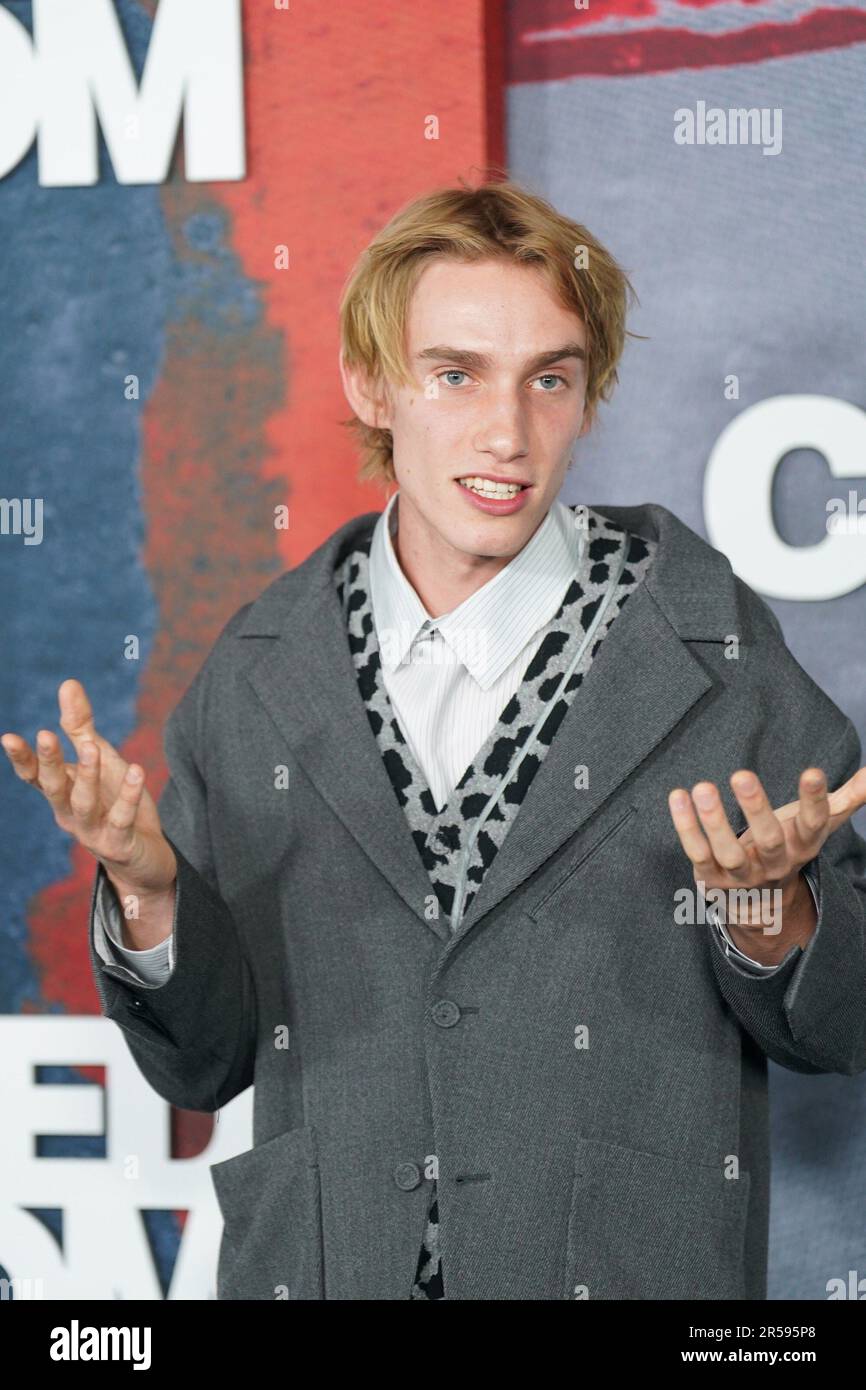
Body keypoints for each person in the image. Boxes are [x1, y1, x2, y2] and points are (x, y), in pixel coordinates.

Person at [4, 179, 866, 1301]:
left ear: (586, 397)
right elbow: (203, 1062)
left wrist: (766, 908)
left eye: (547, 379)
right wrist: (149, 890)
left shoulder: (706, 647)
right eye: (454, 374)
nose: (505, 433)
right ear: (370, 385)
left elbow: (836, 1018)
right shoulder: (260, 671)